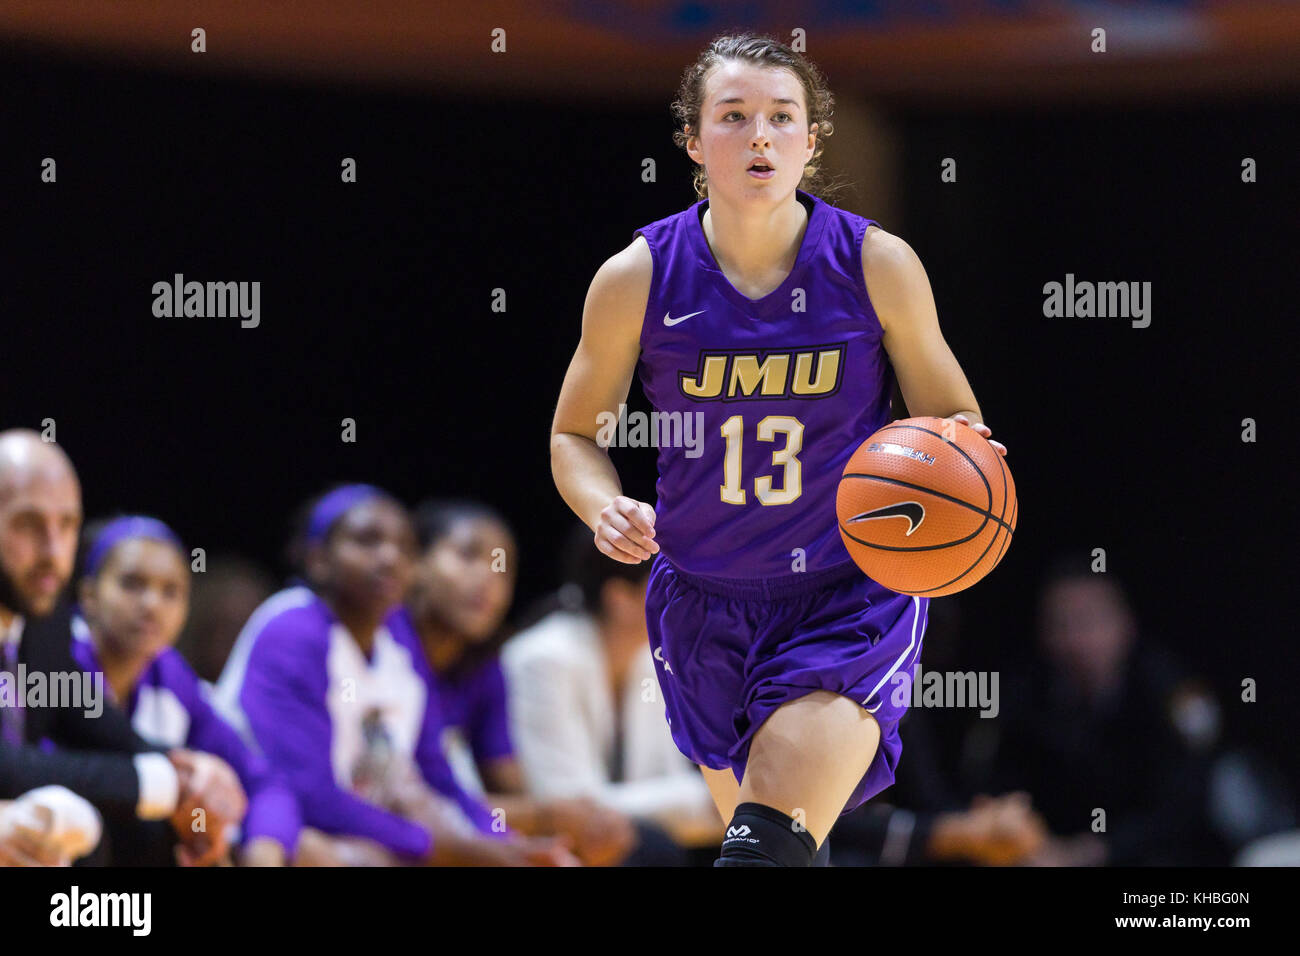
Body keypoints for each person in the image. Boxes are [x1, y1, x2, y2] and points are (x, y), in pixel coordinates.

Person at [549, 32, 1007, 866]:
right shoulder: (637, 277)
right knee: (784, 846)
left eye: (780, 117)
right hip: (701, 603)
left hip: (846, 596)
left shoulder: (875, 263)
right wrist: (601, 502)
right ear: (694, 140)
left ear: (811, 138)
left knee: (763, 851)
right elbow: (575, 432)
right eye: (733, 116)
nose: (759, 135)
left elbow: (953, 420)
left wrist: (962, 471)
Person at [214, 483, 577, 866]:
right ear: (318, 558)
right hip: (255, 825)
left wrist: (509, 844)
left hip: (351, 833)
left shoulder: (399, 652)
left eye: (404, 547)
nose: (389, 557)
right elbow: (311, 795)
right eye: (367, 541)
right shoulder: (293, 628)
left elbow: (439, 779)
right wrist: (447, 848)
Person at [0, 429, 244, 866]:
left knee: (125, 830)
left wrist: (186, 773)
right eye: (29, 525)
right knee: (69, 818)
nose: (53, 551)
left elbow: (81, 712)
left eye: (68, 525)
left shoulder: (42, 619)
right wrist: (161, 782)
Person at [398, 500, 638, 865]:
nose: (487, 579)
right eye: (467, 555)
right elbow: (414, 802)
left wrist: (567, 826)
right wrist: (547, 819)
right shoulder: (389, 648)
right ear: (415, 563)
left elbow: (510, 787)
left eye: (502, 570)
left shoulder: (485, 667)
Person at [68, 515, 305, 866]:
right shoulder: (58, 659)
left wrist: (263, 848)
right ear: (89, 595)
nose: (152, 604)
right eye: (132, 584)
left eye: (171, 591)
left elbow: (265, 782)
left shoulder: (170, 674)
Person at [501, 523, 723, 864]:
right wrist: (713, 800)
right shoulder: (542, 658)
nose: (692, 604)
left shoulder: (651, 662)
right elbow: (571, 808)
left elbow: (665, 785)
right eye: (674, 588)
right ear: (620, 598)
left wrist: (717, 802)